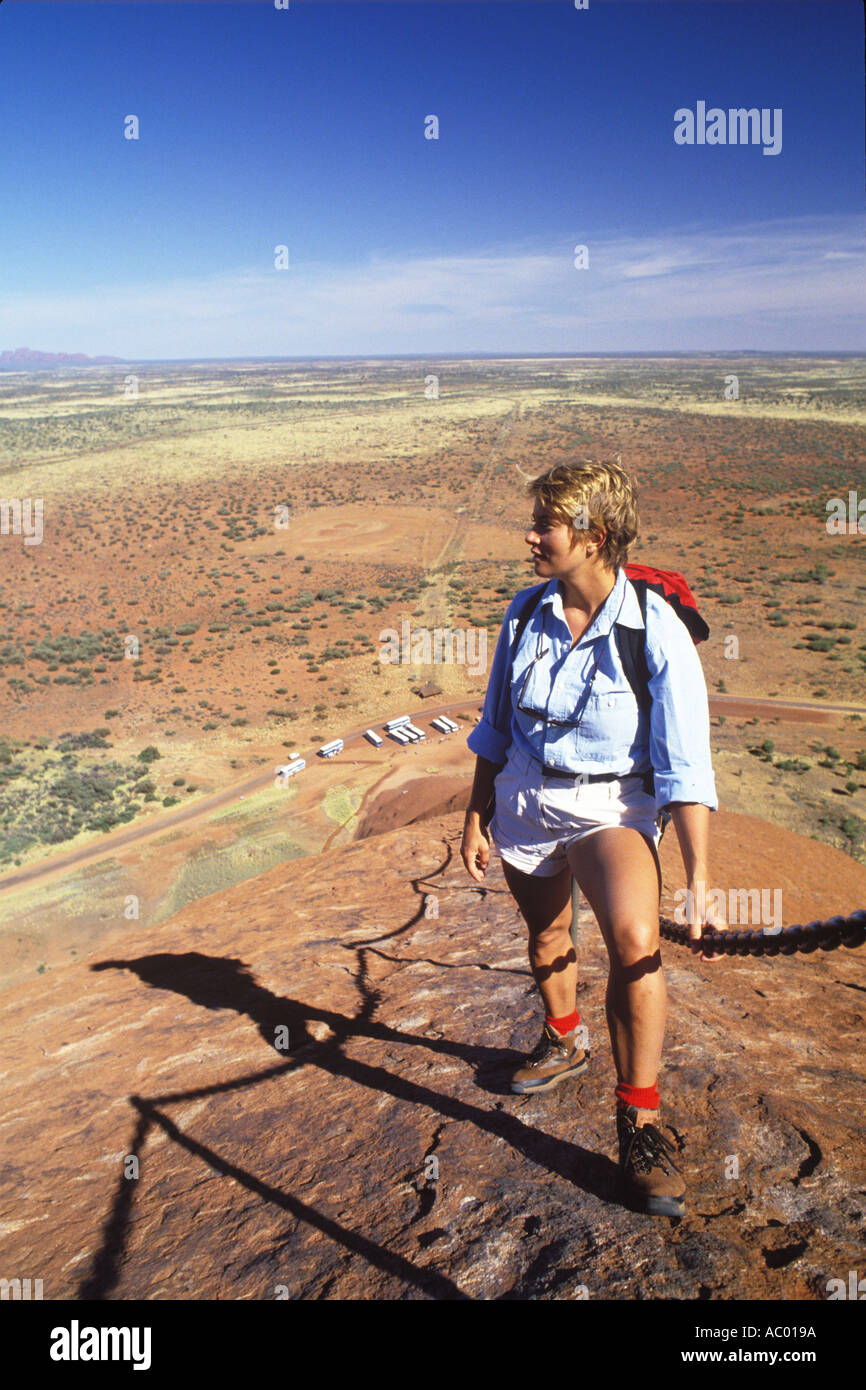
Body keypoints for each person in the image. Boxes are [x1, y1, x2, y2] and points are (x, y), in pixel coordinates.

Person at [460, 458, 721, 1218]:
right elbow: (495, 727)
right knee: (546, 937)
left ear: (594, 536)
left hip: (610, 807)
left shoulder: (653, 627)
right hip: (527, 797)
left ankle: (639, 1121)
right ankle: (564, 1037)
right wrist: (476, 813)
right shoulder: (523, 612)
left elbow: (686, 762)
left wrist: (701, 873)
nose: (531, 536)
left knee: (636, 941)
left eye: (546, 525)